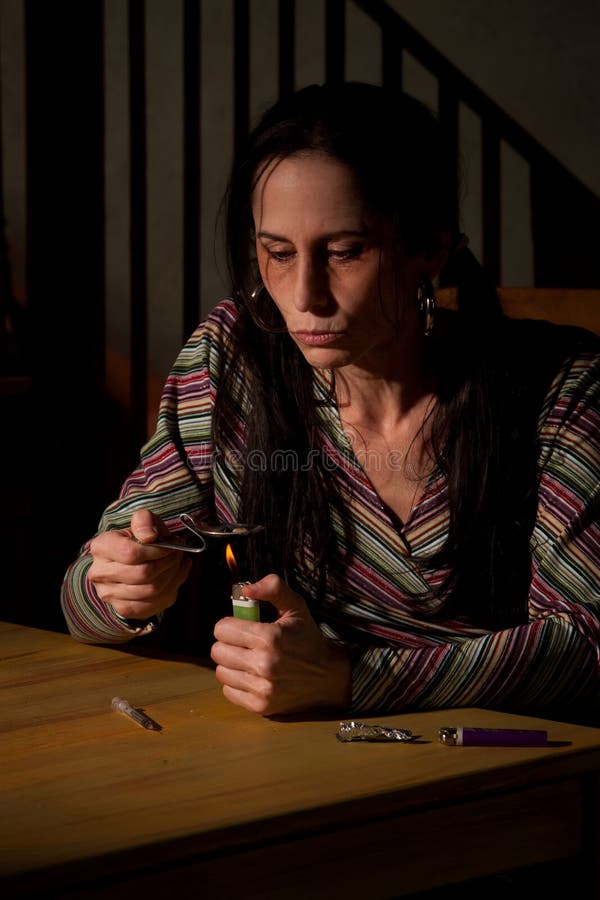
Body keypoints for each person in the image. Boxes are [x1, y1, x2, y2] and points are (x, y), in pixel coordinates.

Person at [61, 82, 600, 720]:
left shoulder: (562, 385)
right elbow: (82, 602)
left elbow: (586, 643)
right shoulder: (234, 358)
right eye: (278, 254)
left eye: (345, 252)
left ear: (429, 251)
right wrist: (121, 588)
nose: (305, 295)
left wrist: (353, 679)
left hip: (516, 770)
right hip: (304, 766)